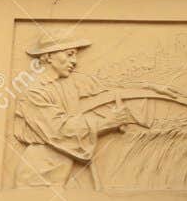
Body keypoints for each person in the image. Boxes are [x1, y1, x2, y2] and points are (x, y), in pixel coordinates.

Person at [8, 33, 145, 188]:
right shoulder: (33, 91)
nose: (74, 61)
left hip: (64, 168)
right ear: (48, 56)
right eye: (69, 54)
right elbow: (59, 129)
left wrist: (156, 89)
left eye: (75, 55)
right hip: (39, 172)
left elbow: (105, 89)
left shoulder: (68, 82)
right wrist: (107, 122)